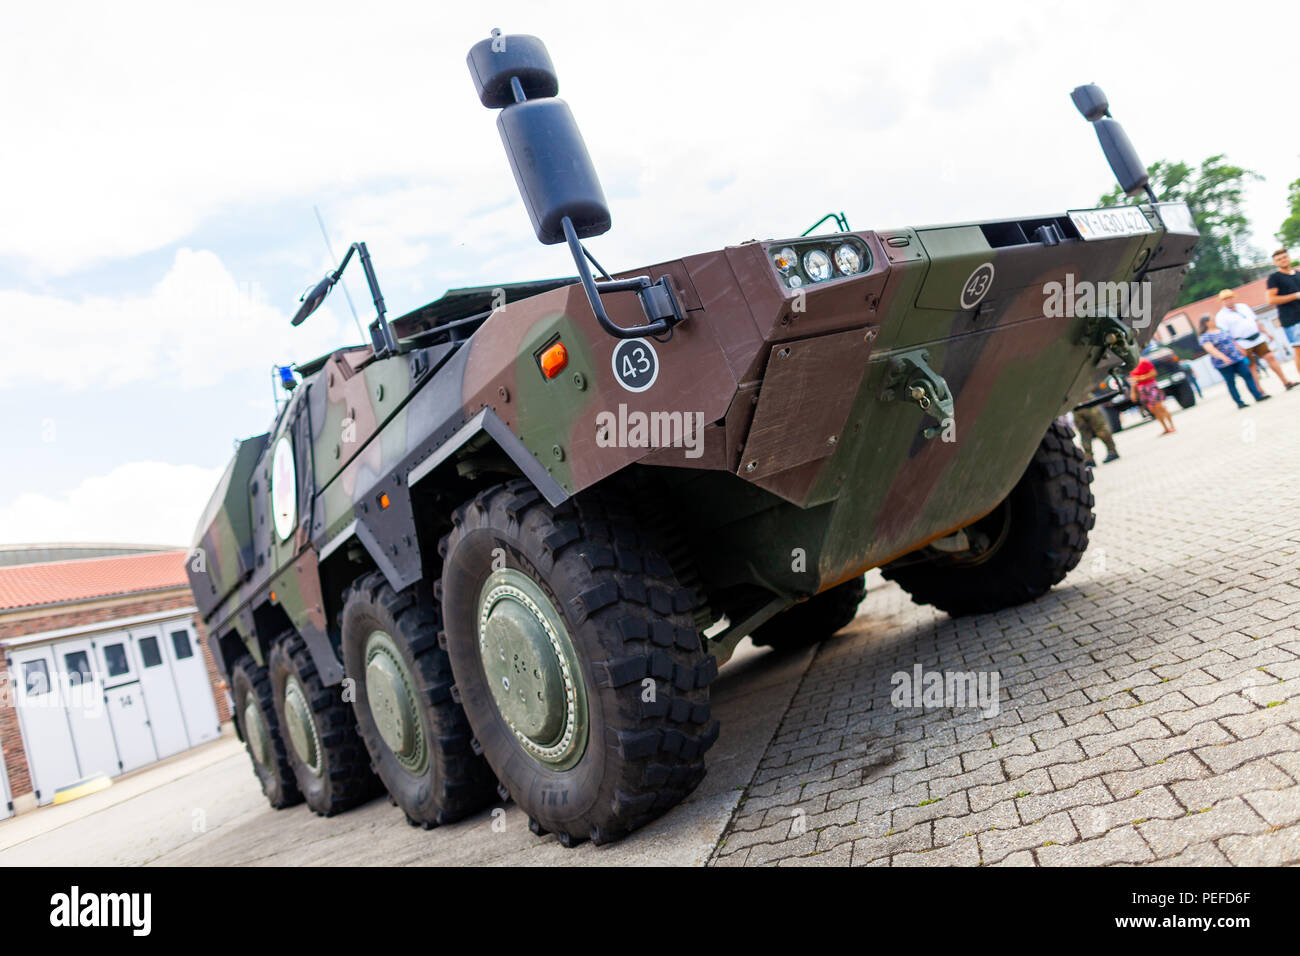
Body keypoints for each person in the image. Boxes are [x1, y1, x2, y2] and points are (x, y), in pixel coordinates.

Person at [1215, 289, 1297, 391]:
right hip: (1242, 342)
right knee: (1252, 366)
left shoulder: (1243, 307)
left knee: (1270, 357)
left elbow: (1255, 321)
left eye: (1230, 298)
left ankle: (1285, 381)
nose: (1229, 301)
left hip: (1257, 338)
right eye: (1226, 299)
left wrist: (1266, 333)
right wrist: (1237, 347)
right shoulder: (1221, 316)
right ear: (1222, 301)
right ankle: (1259, 390)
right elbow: (1227, 335)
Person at [1198, 313, 1269, 408]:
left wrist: (1240, 349)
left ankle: (1258, 395)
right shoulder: (1205, 337)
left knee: (1247, 375)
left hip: (1236, 358)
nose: (1214, 321)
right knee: (1231, 382)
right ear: (1206, 323)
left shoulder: (1221, 330)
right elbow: (1211, 349)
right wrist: (1223, 358)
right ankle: (1239, 402)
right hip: (1223, 363)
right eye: (1212, 320)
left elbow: (1232, 341)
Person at [1266, 248, 1300, 379]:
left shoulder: (1297, 273)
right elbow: (1270, 299)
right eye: (1279, 259)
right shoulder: (1274, 278)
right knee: (1299, 350)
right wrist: (1295, 296)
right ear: (1275, 263)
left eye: (1285, 257)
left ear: (1289, 258)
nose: (1283, 260)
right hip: (1292, 320)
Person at [1128, 356, 1176, 434]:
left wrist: (1141, 378)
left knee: (1160, 407)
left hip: (1150, 386)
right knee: (1153, 409)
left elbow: (1153, 373)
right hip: (1142, 389)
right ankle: (1165, 428)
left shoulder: (1144, 362)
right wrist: (1133, 393)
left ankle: (1172, 426)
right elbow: (1133, 381)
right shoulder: (1132, 367)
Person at [1073, 395, 1119, 466]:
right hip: (1075, 406)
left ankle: (1112, 451)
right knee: (1084, 433)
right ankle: (1089, 458)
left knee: (1100, 429)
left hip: (1087, 402)